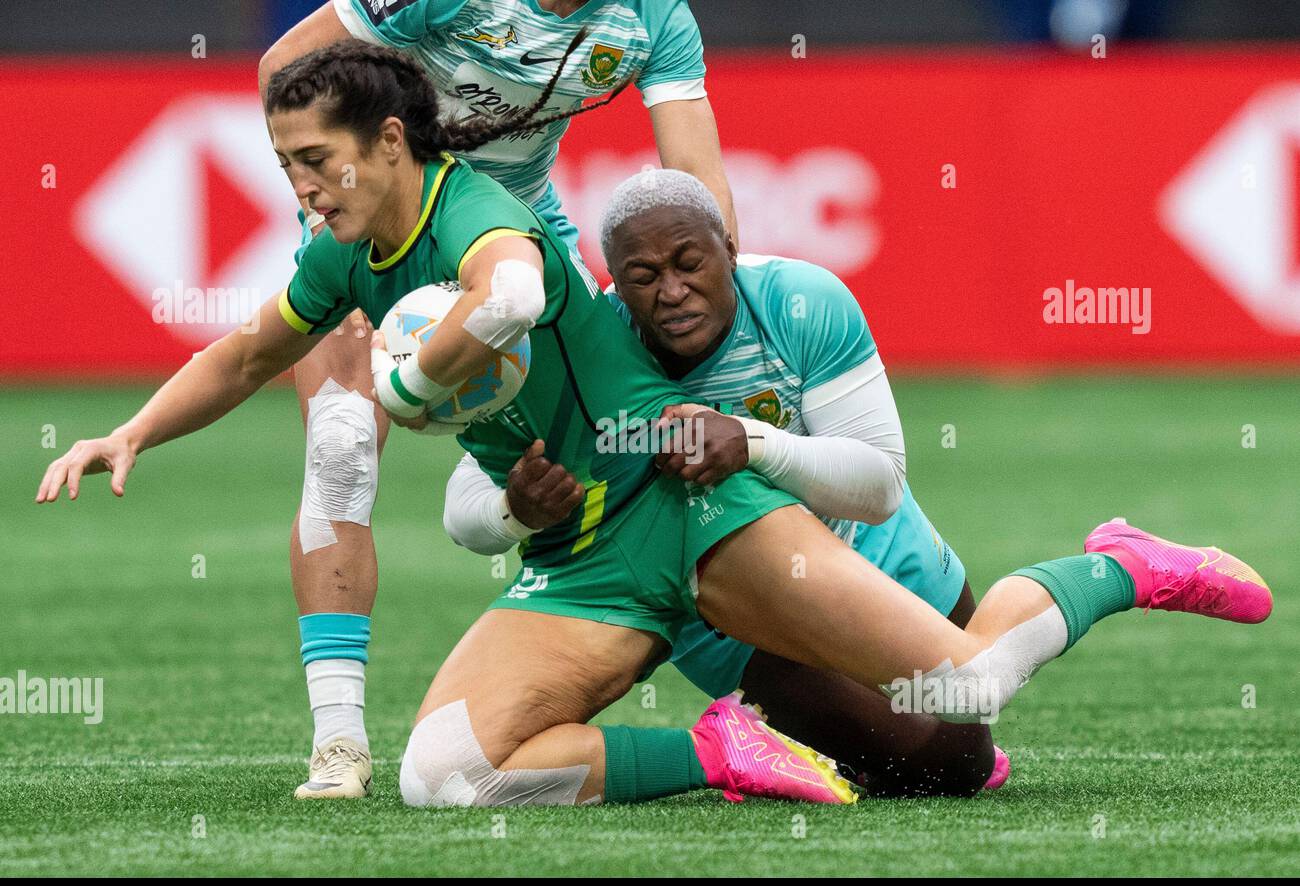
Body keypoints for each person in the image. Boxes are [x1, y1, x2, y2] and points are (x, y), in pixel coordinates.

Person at [39, 43, 1273, 812]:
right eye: (284, 161)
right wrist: (134, 432)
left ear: (391, 144)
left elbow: (514, 289)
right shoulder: (341, 254)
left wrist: (420, 381)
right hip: (580, 556)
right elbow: (250, 350)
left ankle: (1116, 565)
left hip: (699, 513)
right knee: (443, 780)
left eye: (312, 159)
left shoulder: (479, 209)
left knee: (954, 700)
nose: (298, 186)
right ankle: (716, 752)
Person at [256, 0, 739, 797]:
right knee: (340, 449)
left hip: (510, 232)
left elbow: (698, 185)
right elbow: (286, 69)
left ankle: (767, 688)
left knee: (621, 446)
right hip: (392, 213)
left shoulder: (657, 17)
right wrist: (337, 197)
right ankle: (338, 743)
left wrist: (724, 292)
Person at [443, 168, 1005, 797]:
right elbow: (464, 500)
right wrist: (512, 509)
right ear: (617, 284)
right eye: (644, 277)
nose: (674, 292)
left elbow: (879, 487)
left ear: (729, 250)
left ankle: (1115, 567)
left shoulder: (801, 301)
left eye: (690, 263)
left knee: (981, 698)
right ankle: (760, 740)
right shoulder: (594, 350)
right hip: (731, 613)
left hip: (877, 547)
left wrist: (749, 442)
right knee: (949, 771)